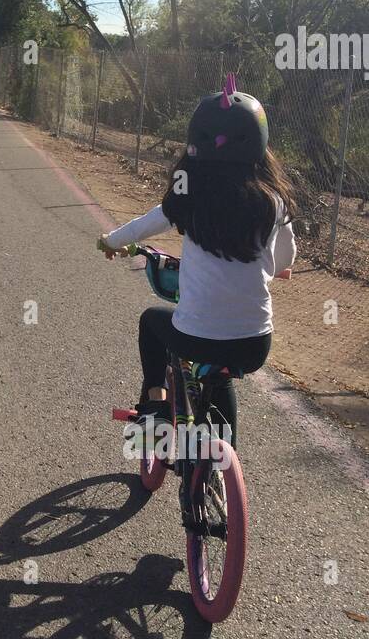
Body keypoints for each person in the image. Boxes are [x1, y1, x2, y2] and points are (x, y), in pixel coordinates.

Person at [98, 76, 296, 447]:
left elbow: (147, 224)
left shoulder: (188, 196)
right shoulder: (272, 201)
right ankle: (225, 460)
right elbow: (285, 257)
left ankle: (156, 408)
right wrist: (274, 268)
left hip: (195, 337)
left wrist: (111, 241)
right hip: (255, 344)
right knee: (220, 375)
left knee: (152, 321)